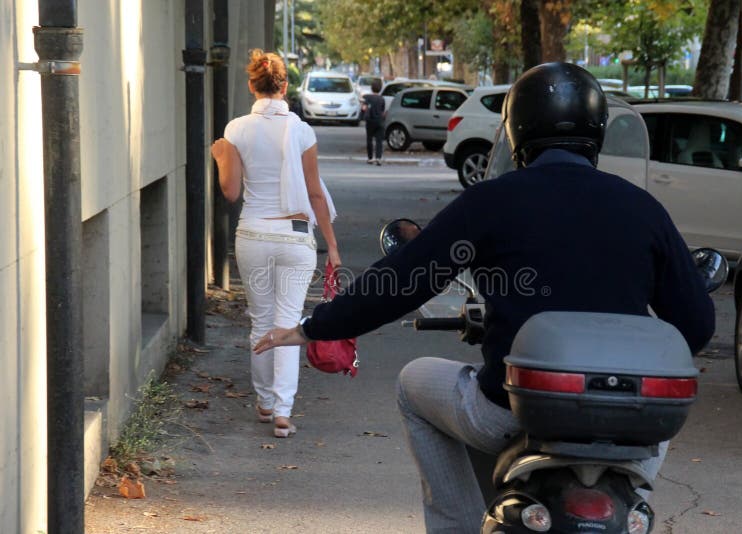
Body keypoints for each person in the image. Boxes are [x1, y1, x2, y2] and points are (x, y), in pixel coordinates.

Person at [253, 63, 715, 530]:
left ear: (516, 129)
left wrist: (315, 326)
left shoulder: (493, 199)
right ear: (598, 130)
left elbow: (404, 279)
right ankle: (629, 506)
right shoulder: (643, 208)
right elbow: (696, 327)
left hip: (512, 412)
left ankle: (457, 524)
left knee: (414, 383)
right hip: (629, 422)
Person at [210, 49, 340, 438]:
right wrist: (331, 245)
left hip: (253, 234)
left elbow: (230, 191)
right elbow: (315, 194)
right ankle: (283, 411)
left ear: (251, 85)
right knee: (289, 323)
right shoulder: (301, 130)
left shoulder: (236, 130)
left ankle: (265, 401)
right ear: (284, 86)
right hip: (295, 237)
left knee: (259, 321)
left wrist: (220, 156)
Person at [361, 79, 386, 165]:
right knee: (379, 140)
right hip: (379, 121)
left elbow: (364, 108)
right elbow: (382, 111)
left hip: (370, 121)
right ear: (380, 88)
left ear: (371, 88)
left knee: (369, 139)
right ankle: (378, 158)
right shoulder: (382, 99)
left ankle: (370, 158)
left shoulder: (367, 98)